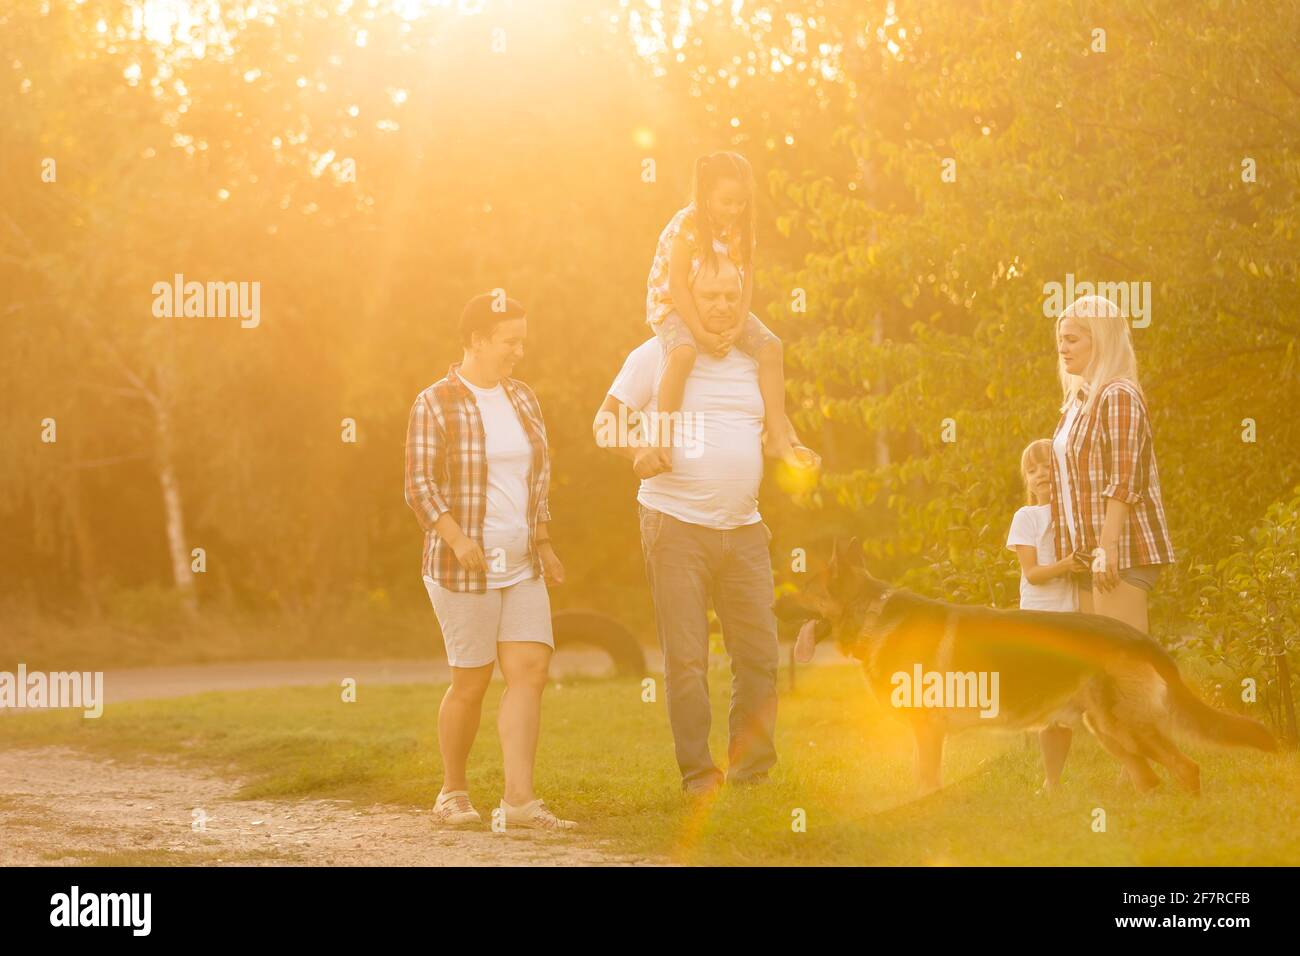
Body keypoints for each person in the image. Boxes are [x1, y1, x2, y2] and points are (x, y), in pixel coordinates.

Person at [595, 255, 819, 796]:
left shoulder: (755, 361)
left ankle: (752, 772)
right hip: (675, 526)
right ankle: (699, 775)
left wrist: (794, 451)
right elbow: (604, 422)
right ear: (688, 298)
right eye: (710, 296)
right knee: (689, 658)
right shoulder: (658, 354)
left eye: (731, 296)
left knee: (760, 656)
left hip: (744, 529)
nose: (722, 307)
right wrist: (637, 451)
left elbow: (775, 431)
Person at [404, 292, 574, 830]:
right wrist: (455, 538)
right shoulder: (435, 401)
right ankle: (453, 791)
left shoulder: (523, 398)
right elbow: (419, 484)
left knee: (530, 669)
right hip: (463, 566)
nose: (519, 351)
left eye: (523, 340)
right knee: (472, 681)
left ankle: (519, 802)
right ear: (476, 340)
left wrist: (544, 543)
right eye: (510, 341)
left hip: (521, 562)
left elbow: (537, 480)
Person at [643, 151, 813, 470]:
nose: (734, 210)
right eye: (727, 202)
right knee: (681, 354)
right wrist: (700, 333)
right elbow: (677, 284)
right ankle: (662, 441)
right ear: (706, 194)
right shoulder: (686, 225)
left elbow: (746, 281)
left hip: (721, 301)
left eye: (741, 202)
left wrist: (737, 325)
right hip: (674, 305)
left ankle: (777, 435)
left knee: (771, 348)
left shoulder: (741, 227)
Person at [1051, 294, 1175, 634]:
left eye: (1072, 339)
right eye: (1060, 340)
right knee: (1099, 673)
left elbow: (1123, 481)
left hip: (1122, 551)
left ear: (1101, 341)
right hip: (1088, 559)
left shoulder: (1118, 394)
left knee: (1125, 672)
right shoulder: (1077, 404)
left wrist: (1107, 550)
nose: (1063, 348)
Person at [1006, 436, 1079, 790]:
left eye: (1046, 466)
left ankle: (1055, 780)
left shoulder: (1075, 513)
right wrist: (1067, 565)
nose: (1039, 474)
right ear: (1026, 482)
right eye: (1031, 470)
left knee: (1064, 706)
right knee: (1048, 704)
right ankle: (1051, 780)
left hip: (1071, 617)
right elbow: (1033, 574)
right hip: (1038, 621)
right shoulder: (1027, 517)